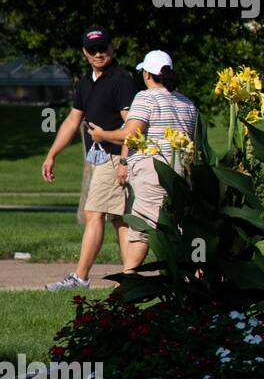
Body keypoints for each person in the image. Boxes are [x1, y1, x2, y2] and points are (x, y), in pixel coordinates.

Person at [42, 26, 137, 291]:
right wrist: (52, 154)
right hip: (103, 158)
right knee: (119, 219)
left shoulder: (121, 79)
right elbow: (73, 121)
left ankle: (81, 278)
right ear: (84, 52)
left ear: (111, 48)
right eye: (92, 49)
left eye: (102, 48)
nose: (98, 54)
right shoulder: (85, 82)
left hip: (116, 156)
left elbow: (132, 125)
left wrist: (125, 161)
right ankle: (130, 278)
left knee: (94, 212)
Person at [88, 50, 198, 273]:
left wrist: (102, 135)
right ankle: (191, 280)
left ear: (147, 74)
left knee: (141, 230)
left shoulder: (145, 98)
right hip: (181, 173)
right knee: (177, 228)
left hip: (153, 171)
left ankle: (127, 281)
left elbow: (131, 133)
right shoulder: (187, 103)